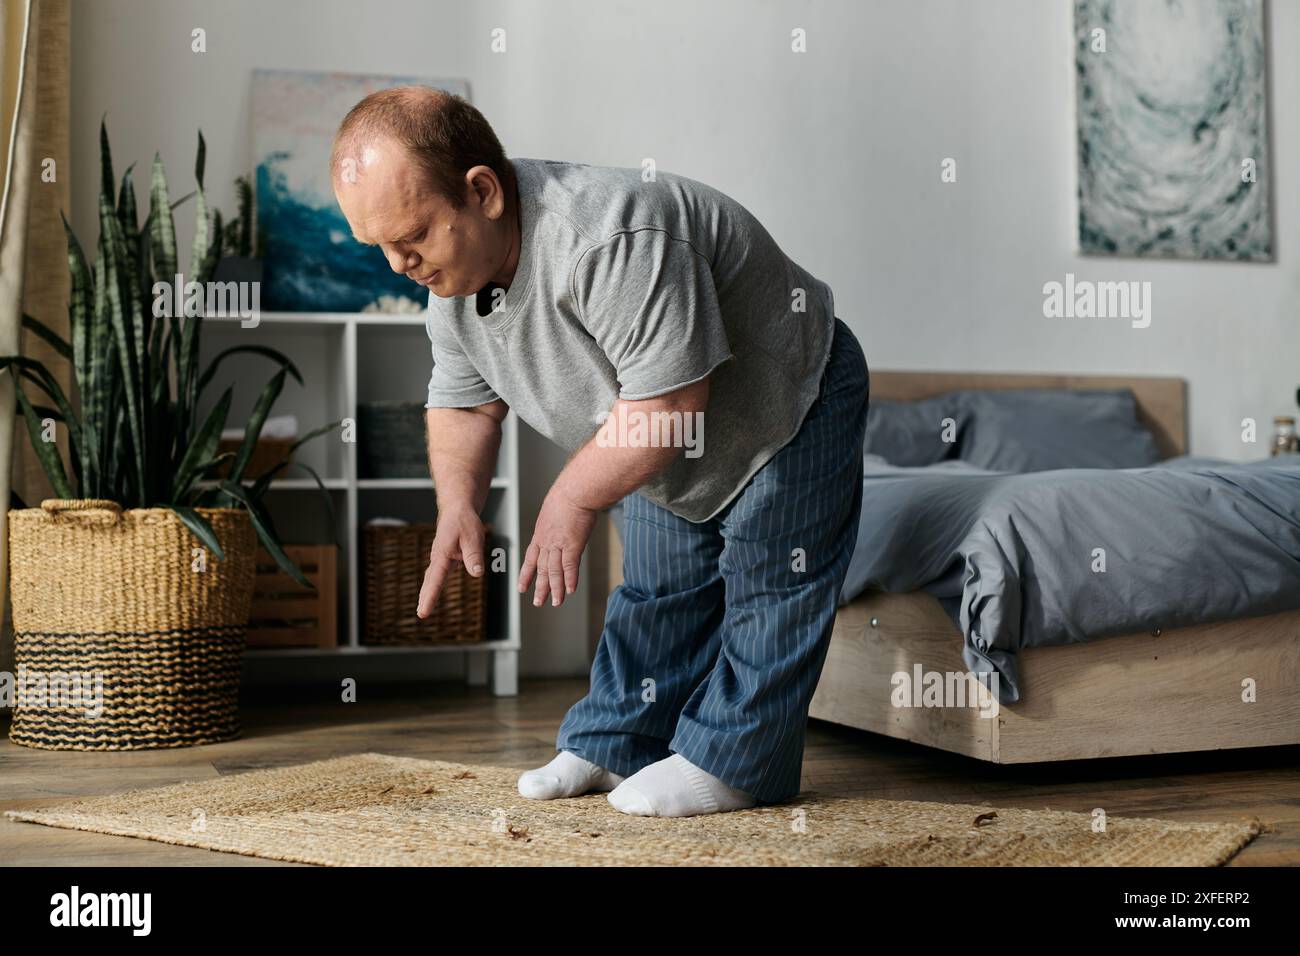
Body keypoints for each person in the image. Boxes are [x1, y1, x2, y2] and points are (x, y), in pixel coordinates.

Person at [331, 86, 869, 817]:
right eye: (383, 247)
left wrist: (572, 495)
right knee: (657, 591)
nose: (400, 264)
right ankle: (619, 742)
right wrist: (457, 504)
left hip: (786, 401)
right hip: (656, 434)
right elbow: (464, 402)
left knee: (769, 579)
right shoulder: (450, 281)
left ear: (482, 192)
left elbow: (672, 404)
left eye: (413, 236)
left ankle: (738, 763)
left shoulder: (610, 235)